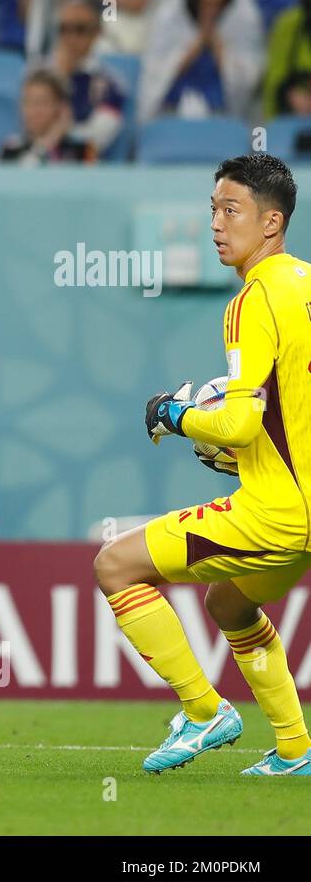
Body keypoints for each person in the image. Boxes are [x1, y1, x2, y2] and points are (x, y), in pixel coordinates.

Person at [95, 152, 311, 777]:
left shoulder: (251, 300)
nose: (217, 223)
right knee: (230, 605)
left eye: (231, 210)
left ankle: (203, 709)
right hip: (304, 511)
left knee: (115, 565)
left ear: (271, 222)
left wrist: (177, 414)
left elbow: (241, 420)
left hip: (276, 512)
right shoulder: (305, 284)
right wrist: (253, 449)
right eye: (214, 209)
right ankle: (296, 749)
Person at [138, 0, 263, 123]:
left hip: (223, 115)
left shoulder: (245, 13)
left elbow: (250, 77)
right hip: (170, 109)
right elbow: (153, 70)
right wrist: (195, 46)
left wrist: (217, 46)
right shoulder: (170, 10)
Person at [46, 0, 126, 158]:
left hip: (83, 167)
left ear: (97, 32)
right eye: (63, 29)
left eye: (80, 29)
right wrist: (60, 77)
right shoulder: (41, 76)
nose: (70, 38)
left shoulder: (110, 83)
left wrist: (58, 134)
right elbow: (29, 126)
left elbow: (98, 138)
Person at [0, 68, 94, 164]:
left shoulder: (81, 149)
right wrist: (46, 144)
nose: (34, 111)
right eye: (28, 102)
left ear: (61, 108)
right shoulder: (10, 149)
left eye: (42, 103)